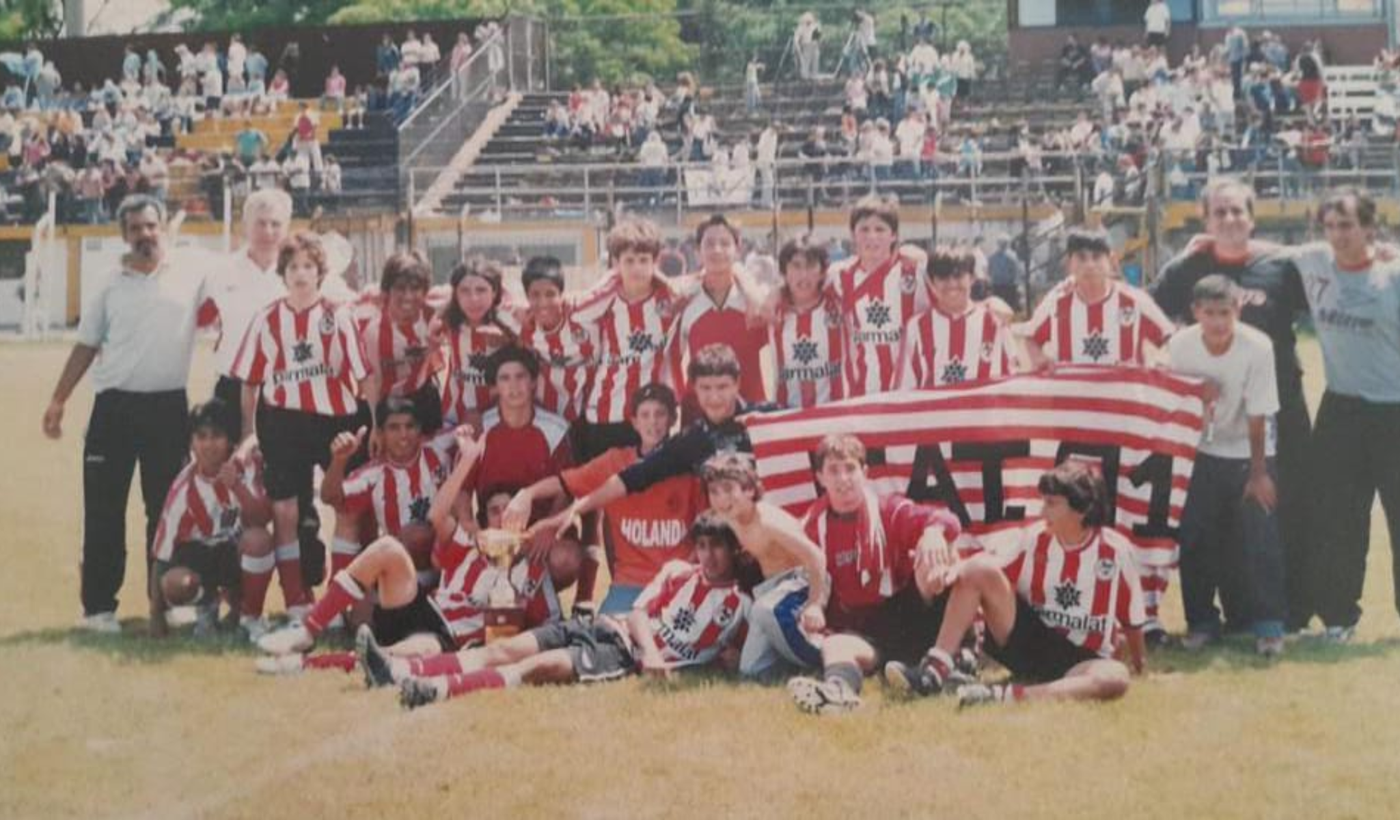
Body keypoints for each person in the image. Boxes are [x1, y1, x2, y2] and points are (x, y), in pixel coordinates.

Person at [1150, 178, 1316, 633]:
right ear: (1206, 221)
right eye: (1219, 213)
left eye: (1237, 211)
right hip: (1213, 421)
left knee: (1284, 508)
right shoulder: (1187, 271)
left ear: (1252, 217)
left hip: (1280, 410)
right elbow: (1146, 320)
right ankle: (1231, 612)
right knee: (1217, 518)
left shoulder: (1280, 268)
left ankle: (1289, 612)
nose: (1229, 220)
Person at [376, 511, 751, 709]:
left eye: (717, 546)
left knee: (539, 667)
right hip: (610, 627)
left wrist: (729, 658)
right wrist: (653, 650)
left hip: (622, 655)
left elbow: (739, 656)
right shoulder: (677, 571)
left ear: (734, 549)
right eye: (702, 546)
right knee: (503, 649)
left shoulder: (741, 603)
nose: (709, 555)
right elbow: (639, 613)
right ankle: (397, 669)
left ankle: (434, 690)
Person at [44, 195, 205, 633]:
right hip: (114, 408)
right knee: (104, 511)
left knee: (166, 512)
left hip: (168, 409)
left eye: (151, 226)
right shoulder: (108, 284)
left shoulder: (190, 277)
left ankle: (166, 599)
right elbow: (86, 345)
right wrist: (59, 400)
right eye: (135, 228)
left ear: (163, 229)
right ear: (123, 235)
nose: (145, 235)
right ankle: (98, 610)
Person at [884, 462, 1146, 708]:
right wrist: (948, 573)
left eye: (1052, 504)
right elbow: (984, 564)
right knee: (977, 569)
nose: (1043, 512)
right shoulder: (1034, 538)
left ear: (1083, 509)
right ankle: (934, 672)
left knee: (1116, 678)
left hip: (1082, 661)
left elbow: (1133, 620)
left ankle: (1000, 697)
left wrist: (1139, 664)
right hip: (1031, 645)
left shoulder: (1116, 553)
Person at [230, 232, 378, 629]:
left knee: (346, 506)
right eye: (293, 266)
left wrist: (375, 426)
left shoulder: (338, 315)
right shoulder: (266, 318)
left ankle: (340, 599)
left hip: (335, 420)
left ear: (319, 273)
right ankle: (298, 601)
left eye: (308, 267)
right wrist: (249, 432)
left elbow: (363, 378)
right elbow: (249, 382)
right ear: (283, 273)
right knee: (286, 510)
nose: (300, 274)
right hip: (282, 421)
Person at [1288, 189, 1400, 642]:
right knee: (1336, 515)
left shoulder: (1392, 276)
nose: (1337, 235)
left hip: (1393, 409)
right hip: (1341, 407)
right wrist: (1205, 243)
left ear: (1369, 227)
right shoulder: (1314, 260)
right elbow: (1260, 252)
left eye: (1347, 225)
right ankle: (1338, 619)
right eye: (1330, 226)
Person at [785, 434, 962, 715]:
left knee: (936, 556)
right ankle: (839, 694)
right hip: (865, 632)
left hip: (909, 615)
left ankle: (958, 657)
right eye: (833, 470)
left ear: (865, 473)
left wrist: (932, 531)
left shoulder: (888, 510)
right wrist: (814, 607)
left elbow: (948, 520)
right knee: (836, 644)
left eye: (850, 468)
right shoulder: (811, 527)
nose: (843, 479)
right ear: (820, 477)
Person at [1167, 276, 1285, 656]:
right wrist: (1192, 390)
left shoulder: (1257, 347)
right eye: (1210, 313)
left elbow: (1258, 414)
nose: (1218, 322)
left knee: (1259, 536)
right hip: (1200, 449)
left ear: (1238, 309)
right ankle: (1201, 622)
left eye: (1225, 312)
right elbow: (1168, 392)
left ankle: (1268, 625)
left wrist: (1258, 473)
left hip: (1250, 450)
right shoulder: (1181, 345)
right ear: (1195, 312)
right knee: (1195, 537)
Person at [504, 383, 695, 616]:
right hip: (629, 584)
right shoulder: (614, 461)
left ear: (672, 419)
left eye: (660, 414)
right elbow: (566, 481)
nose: (652, 422)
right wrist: (527, 493)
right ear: (633, 421)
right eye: (645, 415)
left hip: (676, 585)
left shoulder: (689, 468)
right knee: (604, 640)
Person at [699, 453, 831, 679]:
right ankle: (791, 667)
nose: (721, 499)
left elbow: (816, 556)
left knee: (764, 609)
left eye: (729, 489)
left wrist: (815, 604)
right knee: (749, 671)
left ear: (750, 490)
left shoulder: (768, 521)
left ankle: (826, 659)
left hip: (803, 580)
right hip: (772, 589)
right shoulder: (729, 516)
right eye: (714, 492)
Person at [149, 399, 272, 639]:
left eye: (216, 436)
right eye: (201, 436)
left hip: (233, 556)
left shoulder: (245, 469)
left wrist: (236, 486)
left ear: (229, 442)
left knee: (259, 540)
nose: (208, 444)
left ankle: (248, 616)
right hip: (199, 560)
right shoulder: (182, 490)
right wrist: (156, 616)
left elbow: (261, 519)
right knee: (174, 583)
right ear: (192, 444)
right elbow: (160, 557)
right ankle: (206, 606)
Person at [568, 218, 680, 462]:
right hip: (605, 413)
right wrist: (611, 280)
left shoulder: (669, 297)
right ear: (616, 264)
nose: (637, 268)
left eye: (644, 260)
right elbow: (575, 311)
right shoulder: (606, 298)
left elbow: (695, 285)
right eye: (629, 261)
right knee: (600, 492)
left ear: (655, 262)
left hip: (650, 419)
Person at [828, 194, 931, 397]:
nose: (872, 236)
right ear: (853, 234)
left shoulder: (915, 271)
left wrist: (992, 302)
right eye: (864, 229)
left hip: (910, 393)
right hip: (860, 396)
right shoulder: (838, 275)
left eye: (880, 229)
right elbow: (797, 290)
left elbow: (953, 301)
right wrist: (775, 294)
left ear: (893, 235)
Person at [668, 215, 770, 410]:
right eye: (709, 244)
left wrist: (748, 284)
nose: (717, 250)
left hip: (749, 411)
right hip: (699, 413)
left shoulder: (755, 300)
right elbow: (672, 359)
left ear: (738, 249)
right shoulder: (685, 300)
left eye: (725, 243)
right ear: (697, 251)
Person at [896, 246, 1013, 389]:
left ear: (972, 279)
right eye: (943, 277)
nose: (952, 284)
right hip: (934, 410)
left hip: (983, 410)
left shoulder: (994, 321)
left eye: (958, 276)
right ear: (932, 282)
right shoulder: (916, 327)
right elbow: (905, 388)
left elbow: (1012, 381)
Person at [358, 250, 443, 434]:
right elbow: (372, 381)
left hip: (424, 397)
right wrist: (375, 425)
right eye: (400, 288)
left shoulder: (433, 315)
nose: (408, 296)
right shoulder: (372, 328)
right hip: (387, 403)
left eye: (415, 288)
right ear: (387, 291)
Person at [767, 236, 844, 409]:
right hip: (786, 414)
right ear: (784, 272)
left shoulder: (838, 302)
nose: (803, 275)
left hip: (834, 415)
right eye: (796, 266)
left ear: (823, 272)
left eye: (810, 266)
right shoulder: (770, 310)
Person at [439, 257, 515, 431]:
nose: (473, 299)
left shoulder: (510, 326)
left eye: (481, 290)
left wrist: (511, 338)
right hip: (451, 417)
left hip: (497, 420)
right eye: (464, 291)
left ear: (495, 292)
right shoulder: (449, 321)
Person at [517, 255, 595, 422]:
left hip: (588, 412)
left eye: (550, 294)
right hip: (548, 415)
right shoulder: (525, 328)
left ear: (562, 294)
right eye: (535, 295)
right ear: (527, 297)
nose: (543, 302)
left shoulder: (583, 319)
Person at [794, 13, 822, 81]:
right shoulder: (801, 27)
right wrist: (798, 49)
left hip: (814, 47)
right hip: (805, 47)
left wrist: (819, 45)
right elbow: (796, 39)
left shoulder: (815, 26)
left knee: (815, 62)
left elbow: (817, 39)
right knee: (805, 63)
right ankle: (805, 78)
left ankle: (814, 76)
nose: (809, 21)